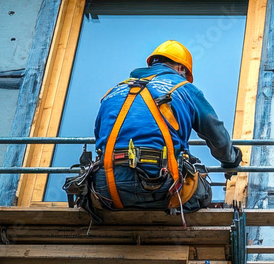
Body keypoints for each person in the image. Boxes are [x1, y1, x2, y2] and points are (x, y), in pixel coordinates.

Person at [82, 40, 242, 213]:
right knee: (203, 192)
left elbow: (100, 137)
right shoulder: (184, 88)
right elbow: (215, 133)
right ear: (181, 68)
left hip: (108, 188)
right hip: (163, 186)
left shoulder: (113, 92)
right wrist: (230, 160)